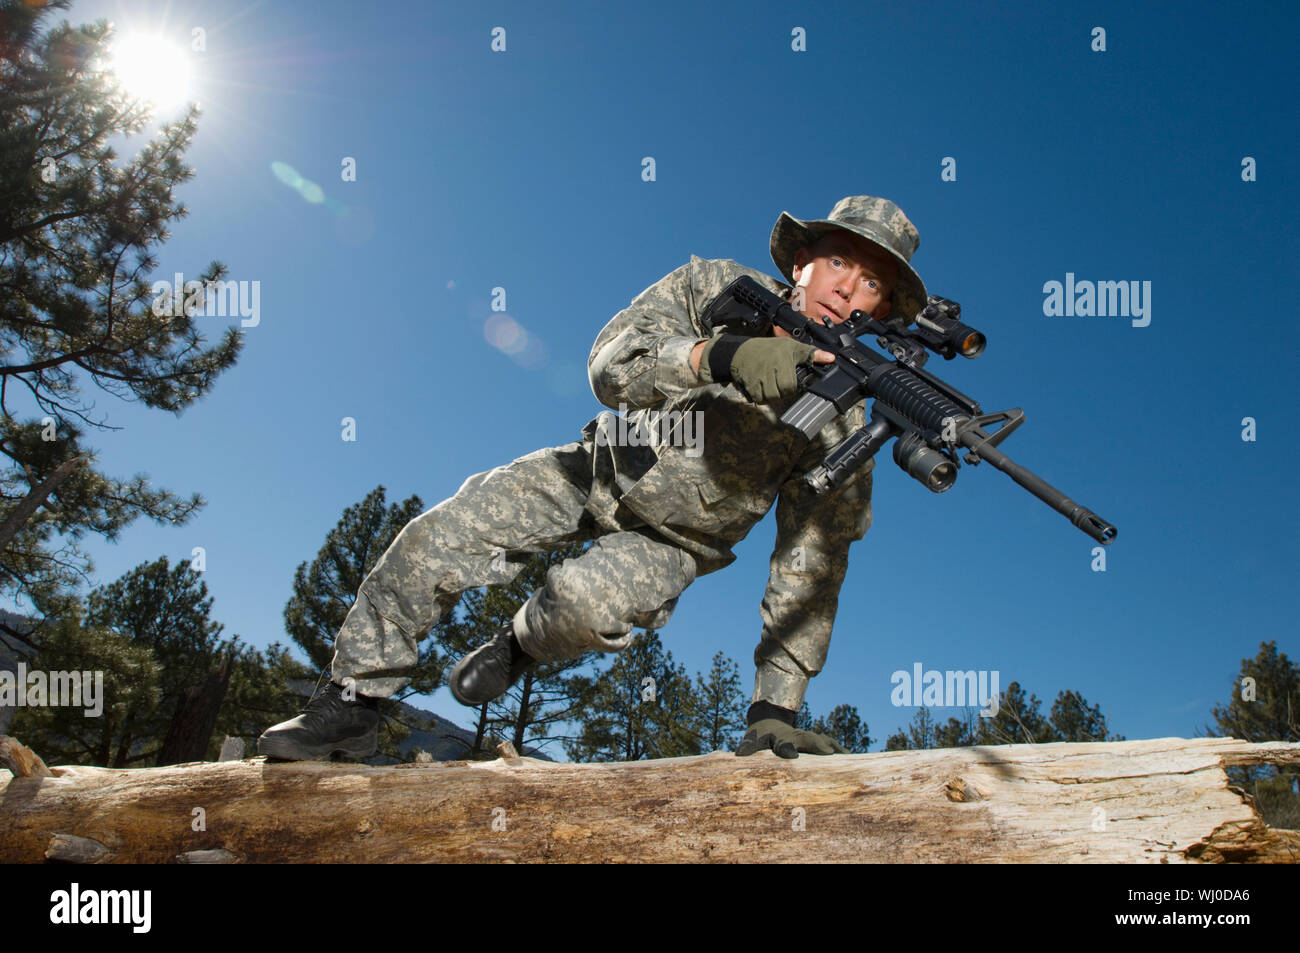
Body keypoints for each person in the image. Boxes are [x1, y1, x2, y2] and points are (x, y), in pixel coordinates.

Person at [257, 195, 927, 762]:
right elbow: (612, 365)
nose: (847, 286)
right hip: (598, 465)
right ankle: (351, 699)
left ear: (882, 308)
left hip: (675, 543)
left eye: (871, 281)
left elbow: (810, 567)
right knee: (437, 536)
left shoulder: (843, 419)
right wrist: (715, 354)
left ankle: (519, 645)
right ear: (804, 261)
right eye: (840, 261)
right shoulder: (717, 285)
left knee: (579, 605)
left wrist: (774, 708)